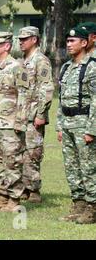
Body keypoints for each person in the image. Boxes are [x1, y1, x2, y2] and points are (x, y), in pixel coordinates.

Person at [0, 31, 28, 212]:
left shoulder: (17, 67)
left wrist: (20, 122)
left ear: (7, 46)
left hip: (10, 124)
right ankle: (1, 197)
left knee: (12, 161)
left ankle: (14, 200)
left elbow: (25, 96)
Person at [57, 26, 96, 224]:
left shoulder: (92, 66)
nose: (69, 44)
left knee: (89, 166)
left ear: (84, 42)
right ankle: (79, 203)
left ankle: (93, 207)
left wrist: (92, 129)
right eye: (68, 41)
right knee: (72, 167)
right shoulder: (66, 67)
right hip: (68, 123)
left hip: (84, 124)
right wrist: (59, 125)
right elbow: (61, 98)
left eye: (73, 41)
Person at [18, 26, 54, 203]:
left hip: (34, 116)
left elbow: (46, 88)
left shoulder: (41, 60)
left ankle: (34, 190)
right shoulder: (22, 61)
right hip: (21, 115)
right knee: (20, 152)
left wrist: (41, 113)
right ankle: (23, 187)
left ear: (35, 40)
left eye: (25, 39)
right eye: (20, 39)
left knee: (33, 152)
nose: (21, 42)